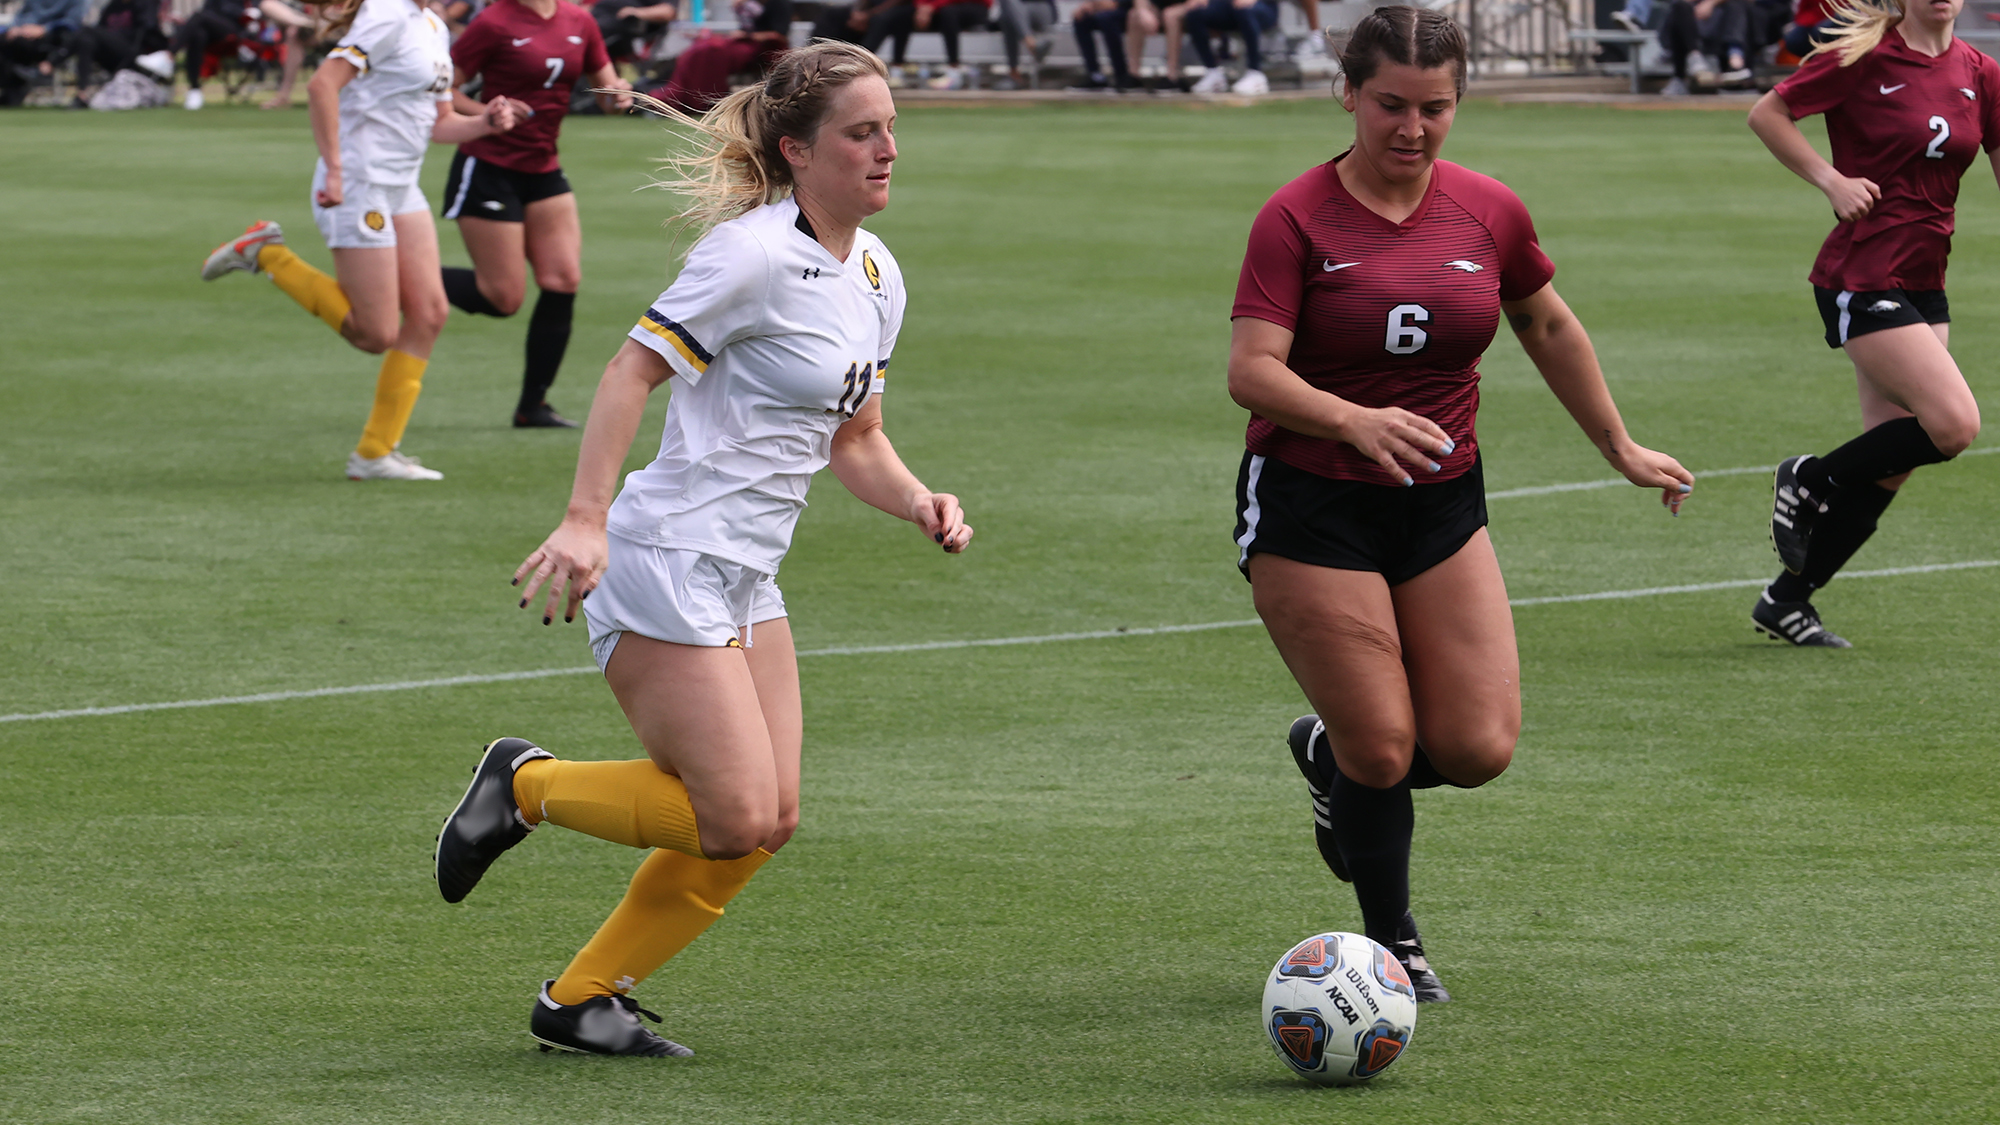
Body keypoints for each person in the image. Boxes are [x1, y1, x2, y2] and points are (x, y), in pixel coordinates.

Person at [431, 40, 973, 1057]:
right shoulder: (751, 253)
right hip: (664, 556)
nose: (887, 148)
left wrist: (915, 500)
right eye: (862, 132)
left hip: (742, 575)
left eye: (890, 127)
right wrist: (584, 517)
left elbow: (854, 437)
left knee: (772, 821)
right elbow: (629, 373)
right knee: (728, 819)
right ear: (796, 150)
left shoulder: (876, 273)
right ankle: (524, 786)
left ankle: (579, 1000)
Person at [1227, 6, 1691, 1000]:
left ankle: (1329, 759)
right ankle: (1389, 944)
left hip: (1438, 502)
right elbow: (1252, 372)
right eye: (1390, 105)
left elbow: (1544, 320)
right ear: (1347, 94)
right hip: (1312, 504)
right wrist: (1349, 419)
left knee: (1475, 749)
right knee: (1386, 745)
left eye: (1435, 108)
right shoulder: (1295, 217)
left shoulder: (1487, 209)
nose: (1411, 128)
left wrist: (1617, 444)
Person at [1746, 0, 1989, 646]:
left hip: (1924, 281)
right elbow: (1766, 113)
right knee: (1954, 424)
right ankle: (1809, 476)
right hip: (1861, 274)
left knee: (1893, 461)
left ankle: (1787, 599)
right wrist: (1830, 179)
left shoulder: (1982, 73)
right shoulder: (1864, 55)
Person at [199, 0, 520, 480]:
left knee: (430, 313)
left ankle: (374, 453)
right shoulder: (387, 13)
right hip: (358, 182)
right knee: (375, 334)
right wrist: (335, 168)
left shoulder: (432, 26)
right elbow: (322, 84)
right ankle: (267, 253)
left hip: (399, 186)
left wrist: (484, 123)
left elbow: (439, 123)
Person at [438, 0, 633, 430]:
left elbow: (605, 90)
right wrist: (487, 114)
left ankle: (533, 406)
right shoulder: (493, 21)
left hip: (543, 166)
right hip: (488, 167)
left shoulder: (579, 20)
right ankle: (410, 278)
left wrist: (619, 96)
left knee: (563, 279)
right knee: (502, 298)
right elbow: (441, 89)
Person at [649, 0, 791, 113]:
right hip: (746, 41)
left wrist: (747, 35)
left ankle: (704, 99)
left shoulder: (779, 4)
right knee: (701, 48)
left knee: (714, 51)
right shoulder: (749, 4)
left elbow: (778, 36)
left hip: (765, 48)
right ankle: (686, 95)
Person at [0, 0, 86, 107]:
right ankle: (13, 87)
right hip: (23, 33)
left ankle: (29, 78)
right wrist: (16, 28)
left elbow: (73, 21)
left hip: (54, 36)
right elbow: (23, 15)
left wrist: (45, 29)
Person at [1185, 0, 1278, 95]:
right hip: (1230, 7)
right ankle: (1213, 72)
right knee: (1195, 13)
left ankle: (1255, 72)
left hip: (1263, 7)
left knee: (1244, 10)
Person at [912, 0, 991, 88]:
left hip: (976, 5)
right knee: (903, 14)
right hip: (941, 7)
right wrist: (921, 6)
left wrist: (932, 7)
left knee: (948, 14)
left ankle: (953, 71)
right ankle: (900, 69)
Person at [1070, 0, 1136, 90]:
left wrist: (1116, 4)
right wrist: (1088, 5)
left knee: (1106, 19)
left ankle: (1121, 74)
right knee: (1082, 19)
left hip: (1132, 9)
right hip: (1105, 8)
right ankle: (1095, 75)